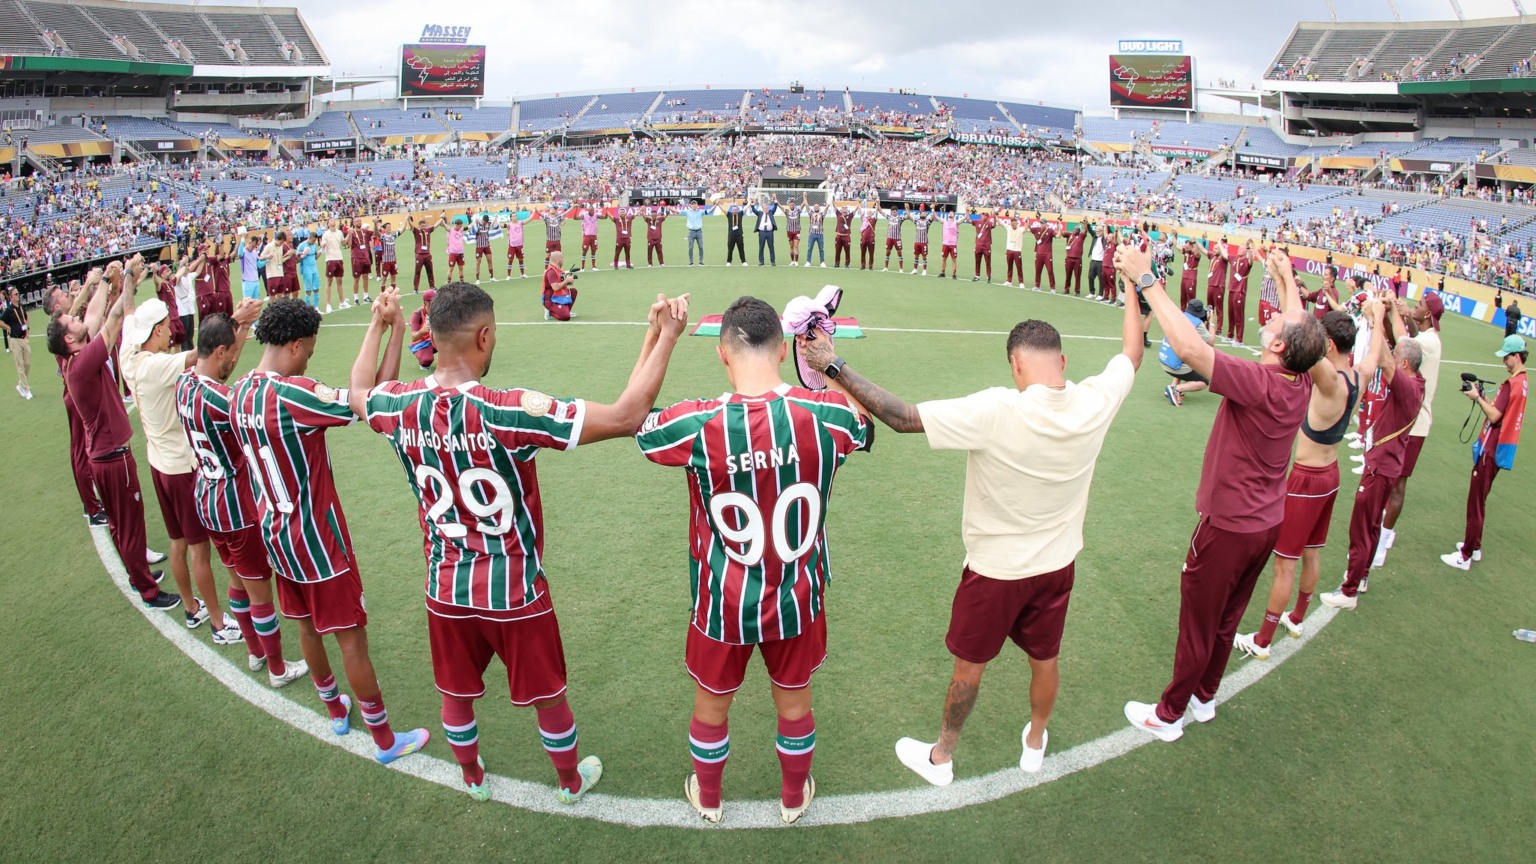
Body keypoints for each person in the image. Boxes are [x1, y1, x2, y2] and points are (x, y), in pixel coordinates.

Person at [801, 269, 1143, 785]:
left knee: (969, 669)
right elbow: (1131, 354)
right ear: (1063, 361)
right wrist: (1136, 288)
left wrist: (834, 364)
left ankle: (942, 756)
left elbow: (902, 417)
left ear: (1015, 364)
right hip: (1058, 566)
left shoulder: (998, 408)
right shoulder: (1096, 399)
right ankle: (1035, 740)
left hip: (995, 572)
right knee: (1045, 659)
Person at [354, 282, 689, 803]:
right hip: (514, 592)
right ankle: (569, 781)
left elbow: (361, 392)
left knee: (455, 693)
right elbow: (627, 416)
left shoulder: (397, 405)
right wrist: (666, 334)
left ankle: (472, 777)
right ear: (484, 336)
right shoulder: (509, 410)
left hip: (445, 588)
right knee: (548, 695)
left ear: (435, 337)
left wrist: (385, 326)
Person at [636, 296, 873, 825]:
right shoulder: (826, 416)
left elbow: (635, 418)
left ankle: (712, 799)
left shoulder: (698, 421)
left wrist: (659, 337)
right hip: (797, 600)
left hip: (724, 602)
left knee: (712, 707)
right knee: (794, 705)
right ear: (787, 353)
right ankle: (792, 800)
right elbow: (863, 422)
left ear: (723, 354)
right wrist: (827, 366)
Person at [1119, 244, 1326, 742]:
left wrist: (1148, 281)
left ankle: (1169, 716)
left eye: (1276, 322)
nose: (1272, 317)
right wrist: (1283, 274)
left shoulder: (1261, 381)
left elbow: (1190, 351)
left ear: (1279, 347)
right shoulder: (1297, 377)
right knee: (1228, 615)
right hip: (1263, 523)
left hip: (1229, 527)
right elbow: (1299, 323)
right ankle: (1204, 696)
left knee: (1199, 619)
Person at [229, 298, 430, 763]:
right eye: (311, 350)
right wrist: (378, 327)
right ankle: (384, 741)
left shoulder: (239, 391)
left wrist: (393, 330)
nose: (311, 358)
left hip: (275, 535)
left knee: (306, 628)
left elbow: (372, 393)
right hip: (318, 540)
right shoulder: (293, 393)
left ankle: (334, 708)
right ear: (297, 345)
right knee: (351, 639)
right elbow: (366, 399)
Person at [176, 309, 309, 687]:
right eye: (232, 353)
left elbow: (215, 380)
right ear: (219, 352)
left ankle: (254, 651)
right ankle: (278, 668)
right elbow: (250, 414)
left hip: (205, 495)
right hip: (236, 504)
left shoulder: (184, 384)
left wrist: (242, 326)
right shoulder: (224, 399)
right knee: (258, 590)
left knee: (236, 579)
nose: (235, 359)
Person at [46, 259, 179, 610]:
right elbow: (114, 320)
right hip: (113, 457)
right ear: (70, 339)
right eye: (72, 322)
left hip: (102, 456)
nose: (79, 318)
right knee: (130, 526)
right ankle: (148, 590)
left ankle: (137, 577)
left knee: (122, 527)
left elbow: (91, 317)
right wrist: (128, 280)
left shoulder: (70, 360)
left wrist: (105, 280)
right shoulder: (85, 361)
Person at [1235, 294, 1359, 660]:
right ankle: (1298, 616)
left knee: (1284, 563)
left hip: (1307, 479)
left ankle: (1262, 640)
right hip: (1331, 475)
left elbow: (1305, 345)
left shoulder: (1329, 381)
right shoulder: (1358, 376)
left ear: (1330, 344)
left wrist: (1288, 284)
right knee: (1313, 553)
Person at [123, 295, 241, 641]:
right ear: (158, 330)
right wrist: (236, 321)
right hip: (180, 467)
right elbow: (203, 354)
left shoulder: (130, 358)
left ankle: (192, 609)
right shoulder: (156, 366)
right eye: (166, 329)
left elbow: (128, 314)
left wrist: (127, 282)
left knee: (177, 541)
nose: (170, 334)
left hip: (158, 464)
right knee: (198, 549)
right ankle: (219, 623)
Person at [1319, 294, 1423, 610]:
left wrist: (1378, 318)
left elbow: (1385, 360)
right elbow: (1401, 344)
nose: (1391, 350)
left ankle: (1348, 590)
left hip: (1380, 465)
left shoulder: (1405, 386)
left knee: (1361, 527)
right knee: (1372, 525)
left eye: (1396, 353)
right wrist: (1391, 313)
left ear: (1404, 362)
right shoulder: (1416, 380)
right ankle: (1361, 577)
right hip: (1386, 463)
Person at [1440, 334, 1527, 570]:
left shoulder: (1512, 384)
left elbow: (1495, 416)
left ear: (1516, 357)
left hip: (1492, 447)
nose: (1504, 362)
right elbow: (1501, 411)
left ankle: (1465, 555)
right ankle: (1474, 547)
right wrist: (1484, 397)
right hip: (1500, 446)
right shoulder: (1522, 382)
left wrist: (1478, 398)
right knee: (1480, 499)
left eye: (1506, 358)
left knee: (1475, 502)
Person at [1377, 292, 1442, 567]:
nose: (1413, 307)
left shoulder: (1427, 342)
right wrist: (1403, 313)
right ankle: (1383, 532)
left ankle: (1381, 542)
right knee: (1392, 480)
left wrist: (1394, 310)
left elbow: (1404, 341)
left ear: (1427, 314)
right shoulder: (1429, 338)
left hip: (1414, 423)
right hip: (1412, 420)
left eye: (1418, 306)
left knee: (1397, 483)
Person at [1159, 298, 1219, 407]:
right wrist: (1211, 323)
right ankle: (1175, 389)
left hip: (1164, 359)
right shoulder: (1197, 324)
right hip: (1174, 366)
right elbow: (1211, 341)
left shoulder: (1179, 316)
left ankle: (1173, 386)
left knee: (1188, 355)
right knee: (1203, 382)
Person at [0, 287, 31, 399]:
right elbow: (1, 321)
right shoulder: (9, 310)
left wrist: (27, 328)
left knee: (27, 363)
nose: (18, 295)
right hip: (15, 339)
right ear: (11, 297)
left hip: (24, 338)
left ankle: (21, 385)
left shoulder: (21, 307)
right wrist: (8, 327)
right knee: (20, 365)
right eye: (16, 294)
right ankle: (27, 390)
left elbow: (26, 318)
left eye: (18, 293)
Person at [408, 213, 445, 295]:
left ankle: (432, 286)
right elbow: (411, 225)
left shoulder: (428, 230)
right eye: (422, 226)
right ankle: (415, 288)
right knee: (417, 272)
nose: (424, 227)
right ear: (419, 226)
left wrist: (441, 218)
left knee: (430, 271)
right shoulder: (416, 231)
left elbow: (436, 225)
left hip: (427, 254)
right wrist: (408, 219)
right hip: (420, 255)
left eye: (424, 226)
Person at [1203, 236, 1229, 337]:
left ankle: (1219, 328)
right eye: (1214, 248)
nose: (1214, 250)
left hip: (1219, 286)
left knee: (1219, 308)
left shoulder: (1223, 258)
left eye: (1217, 248)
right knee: (1209, 307)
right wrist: (1196, 241)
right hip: (1211, 285)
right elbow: (1203, 250)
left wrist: (1219, 243)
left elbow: (1226, 255)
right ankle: (1208, 324)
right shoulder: (1212, 256)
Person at [542, 251, 577, 321]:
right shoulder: (551, 272)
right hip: (550, 299)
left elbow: (560, 281)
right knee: (565, 317)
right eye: (562, 258)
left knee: (573, 292)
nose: (563, 259)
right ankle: (550, 312)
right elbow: (555, 287)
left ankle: (565, 310)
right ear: (558, 260)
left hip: (559, 295)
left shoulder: (559, 269)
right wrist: (566, 280)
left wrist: (568, 281)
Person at [319, 220, 346, 312]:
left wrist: (349, 235)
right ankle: (328, 305)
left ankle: (342, 302)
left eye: (334, 223)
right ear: (328, 225)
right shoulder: (326, 234)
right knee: (329, 281)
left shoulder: (339, 232)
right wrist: (322, 245)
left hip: (339, 258)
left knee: (339, 280)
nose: (333, 224)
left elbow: (343, 243)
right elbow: (322, 244)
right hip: (330, 258)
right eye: (331, 223)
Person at [347, 220, 374, 307]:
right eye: (357, 221)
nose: (359, 222)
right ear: (353, 223)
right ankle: (356, 298)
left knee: (365, 277)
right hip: (356, 258)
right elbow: (349, 244)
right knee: (356, 278)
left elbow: (375, 233)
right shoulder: (352, 232)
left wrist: (375, 224)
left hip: (365, 257)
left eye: (360, 221)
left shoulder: (365, 231)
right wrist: (350, 234)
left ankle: (366, 296)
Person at [1030, 213, 1058, 292]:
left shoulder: (1050, 231)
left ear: (1046, 224)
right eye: (1041, 223)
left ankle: (1052, 288)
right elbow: (1029, 228)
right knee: (1038, 270)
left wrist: (1059, 227)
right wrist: (1028, 220)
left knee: (1050, 271)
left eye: (1043, 223)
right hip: (1039, 254)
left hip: (1047, 254)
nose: (1041, 225)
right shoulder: (1037, 229)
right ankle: (1037, 285)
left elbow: (1058, 236)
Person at [409, 290, 436, 370]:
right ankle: (423, 359)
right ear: (426, 302)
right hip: (422, 342)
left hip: (436, 338)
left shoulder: (439, 311)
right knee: (426, 360)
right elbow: (413, 337)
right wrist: (422, 331)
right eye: (434, 301)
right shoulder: (417, 314)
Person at [297, 230, 322, 308]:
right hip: (306, 269)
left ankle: (316, 307)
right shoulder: (302, 245)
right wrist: (303, 255)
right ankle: (308, 308)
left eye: (315, 241)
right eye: (313, 240)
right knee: (308, 289)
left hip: (314, 269)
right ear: (309, 238)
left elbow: (315, 257)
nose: (314, 242)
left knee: (316, 288)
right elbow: (296, 260)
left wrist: (321, 251)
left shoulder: (313, 245)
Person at [751, 197, 779, 266]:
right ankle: (761, 261)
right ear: (763, 208)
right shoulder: (760, 213)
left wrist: (775, 198)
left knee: (771, 246)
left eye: (767, 208)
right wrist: (752, 204)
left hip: (770, 233)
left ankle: (773, 260)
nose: (767, 209)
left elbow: (775, 206)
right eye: (765, 208)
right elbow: (754, 210)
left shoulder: (771, 212)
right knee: (761, 247)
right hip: (762, 232)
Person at [505, 210, 532, 279]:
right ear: (511, 218)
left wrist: (534, 212)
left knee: (521, 259)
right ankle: (508, 275)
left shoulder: (520, 223)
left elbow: (528, 220)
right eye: (513, 216)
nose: (515, 217)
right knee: (510, 260)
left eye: (516, 215)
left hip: (520, 244)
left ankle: (522, 274)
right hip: (512, 245)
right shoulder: (509, 224)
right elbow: (503, 225)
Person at [880, 204, 907, 272]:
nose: (893, 213)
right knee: (887, 252)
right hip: (889, 238)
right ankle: (886, 267)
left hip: (897, 238)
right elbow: (880, 211)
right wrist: (878, 202)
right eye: (892, 212)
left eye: (894, 212)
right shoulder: (889, 217)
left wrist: (907, 208)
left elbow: (907, 216)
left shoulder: (900, 218)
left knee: (899, 253)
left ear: (897, 212)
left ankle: (901, 268)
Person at [1002, 213, 1026, 288]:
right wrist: (995, 216)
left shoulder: (1020, 229)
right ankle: (1009, 281)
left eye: (1014, 225)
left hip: (1017, 250)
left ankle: (1021, 282)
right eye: (1012, 225)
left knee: (1019, 267)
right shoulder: (1009, 228)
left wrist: (1027, 221)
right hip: (1009, 250)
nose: (1013, 226)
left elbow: (1026, 227)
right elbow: (1001, 223)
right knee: (1009, 266)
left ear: (1017, 223)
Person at [972, 210, 996, 284]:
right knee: (977, 261)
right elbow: (969, 220)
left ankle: (988, 277)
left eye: (985, 215)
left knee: (988, 262)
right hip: (978, 245)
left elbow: (994, 225)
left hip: (986, 246)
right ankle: (977, 276)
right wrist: (967, 212)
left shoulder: (989, 223)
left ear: (987, 217)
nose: (983, 216)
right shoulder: (977, 222)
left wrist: (994, 217)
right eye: (982, 215)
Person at [609, 204, 636, 269]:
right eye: (621, 212)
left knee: (627, 252)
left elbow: (635, 215)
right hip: (620, 239)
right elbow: (611, 217)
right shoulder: (616, 219)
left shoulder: (629, 218)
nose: (622, 213)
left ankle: (628, 264)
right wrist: (606, 210)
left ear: (625, 213)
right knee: (617, 252)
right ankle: (615, 265)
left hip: (627, 238)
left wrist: (640, 209)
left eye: (623, 212)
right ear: (619, 213)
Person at [1063, 222, 1086, 295]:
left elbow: (1085, 230)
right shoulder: (1069, 235)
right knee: (1068, 275)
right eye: (1074, 229)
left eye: (1077, 230)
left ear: (1079, 231)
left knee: (1077, 276)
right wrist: (1059, 223)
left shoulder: (1081, 236)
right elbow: (1061, 233)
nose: (1075, 230)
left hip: (1077, 259)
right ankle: (1067, 289)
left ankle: (1077, 290)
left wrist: (1085, 223)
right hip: (1069, 258)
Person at [804, 196, 827, 268]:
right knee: (810, 248)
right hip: (812, 233)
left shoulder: (821, 214)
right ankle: (808, 261)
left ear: (819, 208)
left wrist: (828, 204)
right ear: (813, 208)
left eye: (817, 207)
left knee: (821, 248)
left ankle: (822, 262)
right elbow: (807, 206)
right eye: (815, 207)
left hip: (820, 234)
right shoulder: (811, 213)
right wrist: (805, 197)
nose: (816, 208)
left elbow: (826, 209)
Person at [238, 235, 262, 302]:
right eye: (253, 246)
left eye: (255, 247)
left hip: (256, 281)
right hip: (247, 281)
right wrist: (242, 239)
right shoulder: (243, 251)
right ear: (250, 242)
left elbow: (259, 265)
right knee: (247, 303)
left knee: (256, 303)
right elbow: (239, 254)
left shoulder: (254, 252)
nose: (253, 248)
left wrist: (268, 260)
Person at [912, 204, 933, 276]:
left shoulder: (927, 222)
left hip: (924, 242)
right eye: (922, 212)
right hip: (917, 242)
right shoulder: (917, 221)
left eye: (924, 213)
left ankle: (924, 270)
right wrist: (907, 208)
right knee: (916, 256)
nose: (923, 213)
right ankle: (915, 269)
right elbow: (909, 216)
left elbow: (932, 217)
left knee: (924, 256)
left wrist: (933, 208)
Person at [578, 202, 600, 270]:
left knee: (594, 251)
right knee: (584, 251)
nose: (592, 211)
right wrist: (576, 209)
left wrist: (607, 210)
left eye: (593, 210)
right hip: (587, 236)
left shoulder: (596, 216)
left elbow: (604, 217)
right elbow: (575, 218)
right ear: (588, 210)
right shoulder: (584, 216)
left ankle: (593, 266)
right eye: (591, 210)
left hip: (594, 236)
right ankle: (582, 267)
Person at [445, 218, 468, 283]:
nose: (461, 227)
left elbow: (468, 227)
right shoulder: (451, 230)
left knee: (461, 267)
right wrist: (442, 219)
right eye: (460, 226)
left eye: (461, 226)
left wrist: (474, 222)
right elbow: (445, 226)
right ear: (456, 225)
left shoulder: (461, 230)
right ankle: (448, 281)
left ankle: (462, 280)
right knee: (451, 268)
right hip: (453, 253)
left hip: (460, 253)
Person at [832, 203, 853, 269]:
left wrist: (858, 203)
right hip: (839, 236)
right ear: (841, 209)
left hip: (846, 236)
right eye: (843, 208)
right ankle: (837, 263)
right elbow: (834, 206)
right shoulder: (838, 214)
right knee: (837, 250)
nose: (844, 209)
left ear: (847, 209)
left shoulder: (849, 216)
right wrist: (833, 201)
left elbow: (855, 211)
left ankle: (847, 264)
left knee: (847, 251)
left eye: (845, 208)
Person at [857, 202, 878, 270]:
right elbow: (860, 211)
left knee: (871, 253)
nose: (869, 213)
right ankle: (863, 265)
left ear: (872, 214)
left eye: (870, 212)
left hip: (871, 238)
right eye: (868, 212)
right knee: (863, 252)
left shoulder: (874, 220)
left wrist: (877, 204)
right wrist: (858, 203)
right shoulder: (864, 219)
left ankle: (870, 265)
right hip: (863, 237)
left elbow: (877, 212)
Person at [685, 201, 706, 266]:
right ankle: (691, 261)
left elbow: (709, 211)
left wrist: (715, 205)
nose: (694, 205)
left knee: (701, 247)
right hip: (691, 232)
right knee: (690, 247)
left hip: (699, 232)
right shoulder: (687, 212)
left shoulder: (700, 212)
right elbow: (678, 211)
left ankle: (701, 261)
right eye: (692, 204)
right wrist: (670, 208)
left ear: (697, 205)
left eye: (695, 204)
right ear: (691, 205)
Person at [784, 199, 802, 266]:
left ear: (794, 205)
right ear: (789, 205)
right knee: (791, 246)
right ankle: (792, 261)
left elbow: (803, 205)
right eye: (790, 204)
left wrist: (804, 197)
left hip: (797, 231)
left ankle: (796, 261)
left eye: (793, 204)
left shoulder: (798, 210)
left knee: (796, 246)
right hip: (789, 231)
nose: (791, 205)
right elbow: (780, 206)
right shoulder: (787, 211)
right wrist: (775, 200)